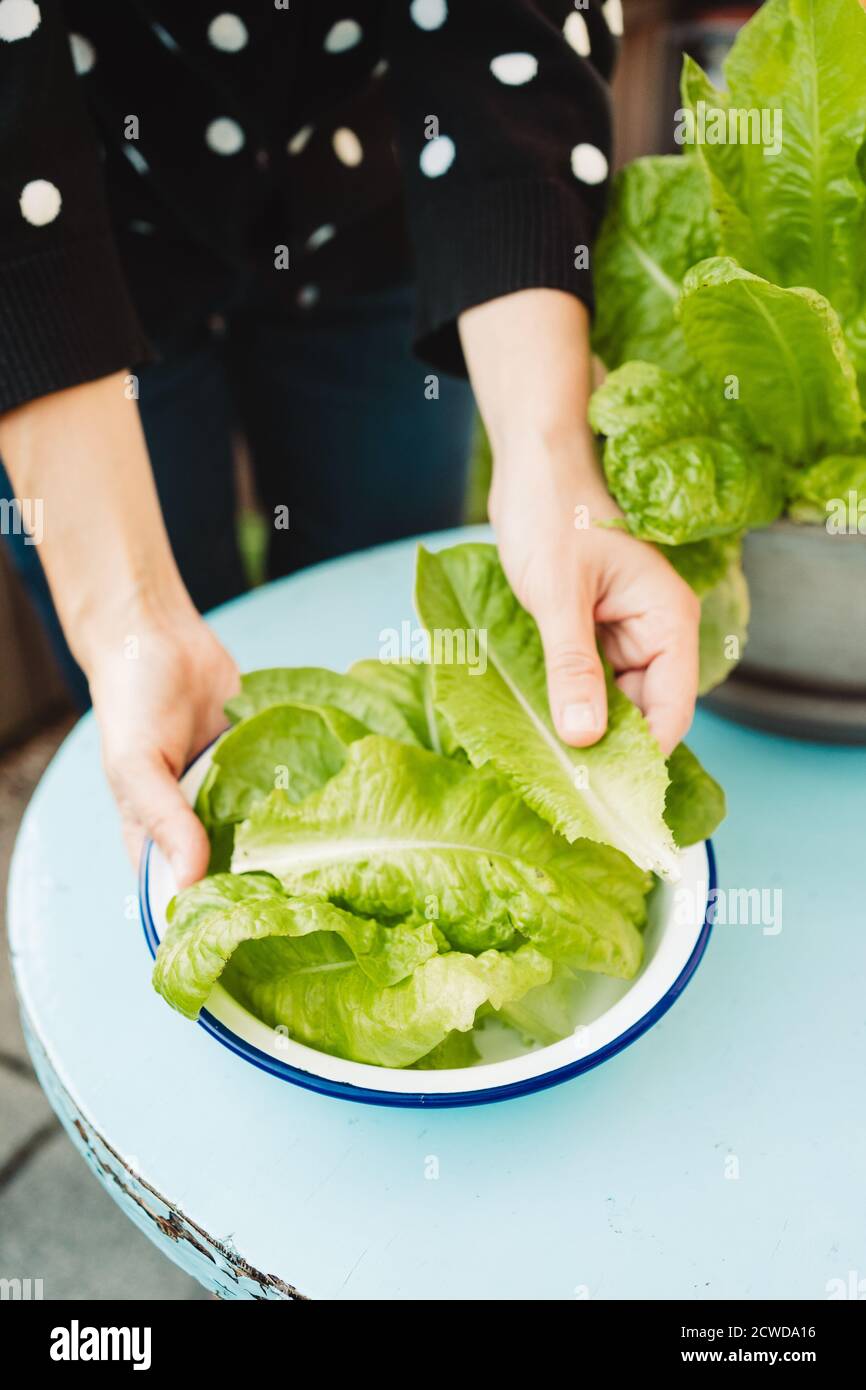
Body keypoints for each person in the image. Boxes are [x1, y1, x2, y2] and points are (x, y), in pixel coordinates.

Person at [0, 0, 698, 885]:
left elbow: (508, 32)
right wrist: (128, 618)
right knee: (166, 693)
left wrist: (552, 459)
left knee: (381, 612)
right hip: (76, 256)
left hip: (379, 195)